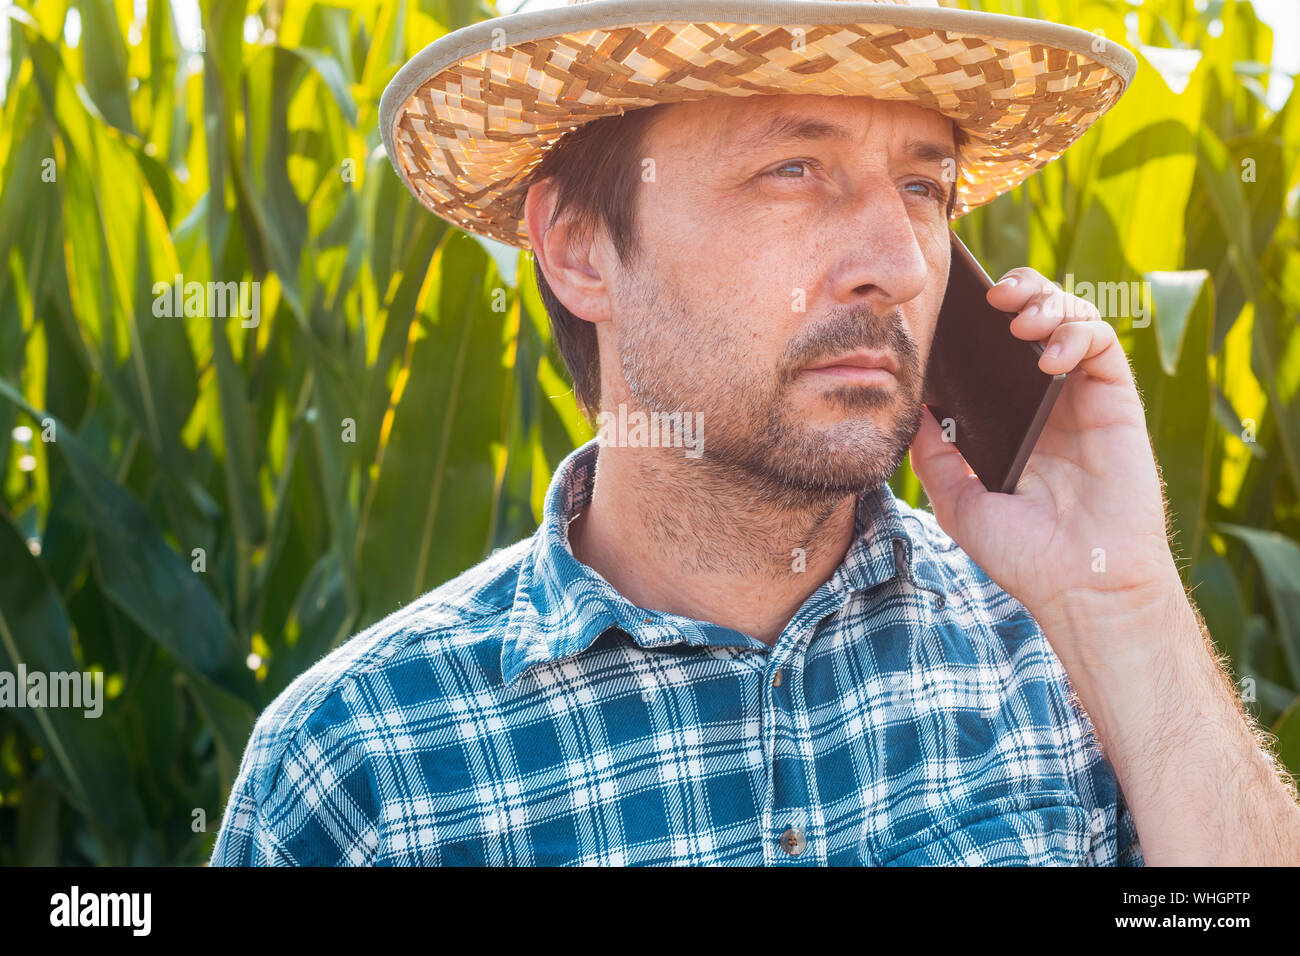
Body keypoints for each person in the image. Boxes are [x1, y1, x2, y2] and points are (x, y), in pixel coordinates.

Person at [211, 0, 1300, 865]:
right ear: (579, 246)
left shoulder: (1063, 671)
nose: (903, 259)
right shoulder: (366, 767)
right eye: (795, 168)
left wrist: (1124, 603)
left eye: (923, 183)